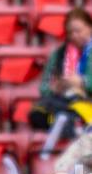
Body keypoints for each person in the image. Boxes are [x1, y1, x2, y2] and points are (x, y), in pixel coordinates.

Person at [29, 8, 92, 144]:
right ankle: (71, 129)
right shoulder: (58, 54)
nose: (75, 35)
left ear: (90, 28)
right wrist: (55, 88)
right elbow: (44, 87)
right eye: (71, 32)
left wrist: (83, 82)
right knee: (37, 115)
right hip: (63, 102)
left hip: (87, 103)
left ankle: (73, 132)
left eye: (78, 31)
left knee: (73, 117)